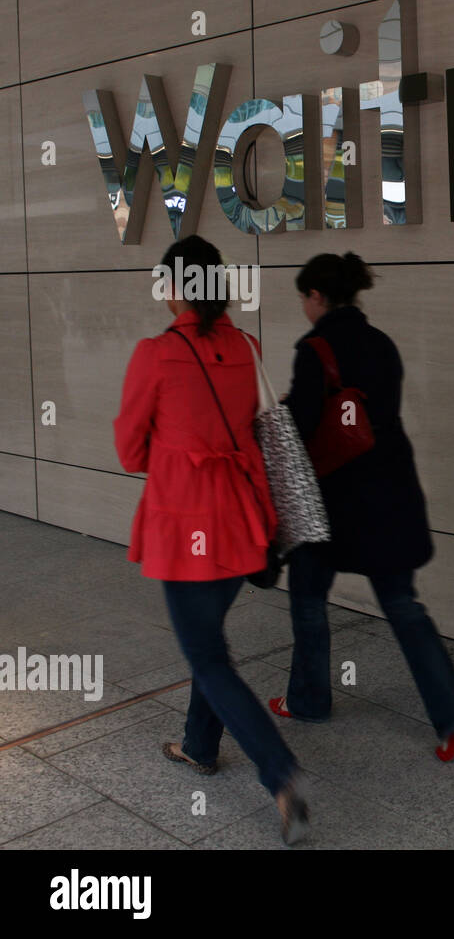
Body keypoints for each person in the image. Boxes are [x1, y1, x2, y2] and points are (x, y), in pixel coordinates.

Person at [114, 235, 309, 845]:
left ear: (174, 288)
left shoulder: (155, 353)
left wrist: (171, 454)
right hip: (243, 524)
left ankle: (282, 776)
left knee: (207, 657)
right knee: (209, 642)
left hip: (184, 525)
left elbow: (128, 450)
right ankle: (200, 745)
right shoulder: (245, 346)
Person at [271, 252, 454, 763]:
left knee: (308, 601)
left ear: (317, 296)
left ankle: (309, 700)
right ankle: (452, 718)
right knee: (404, 607)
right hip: (389, 495)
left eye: (303, 297)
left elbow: (298, 423)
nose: (303, 306)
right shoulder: (382, 344)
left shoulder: (315, 348)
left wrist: (270, 415)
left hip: (331, 500)